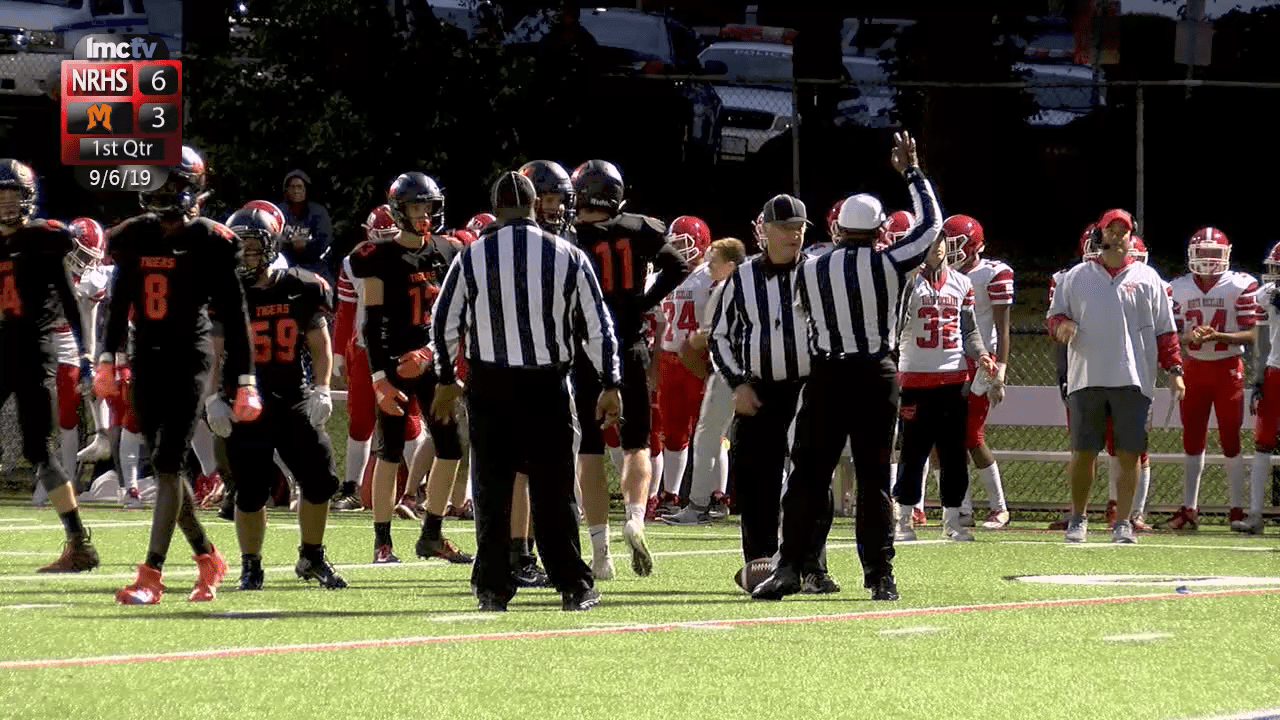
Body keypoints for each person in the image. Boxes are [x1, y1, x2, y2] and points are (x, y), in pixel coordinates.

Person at [754, 132, 942, 603]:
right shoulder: (893, 261)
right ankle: (879, 574)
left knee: (808, 476)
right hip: (876, 373)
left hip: (827, 374)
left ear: (838, 229)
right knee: (874, 476)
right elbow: (932, 225)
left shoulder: (811, 265)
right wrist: (913, 174)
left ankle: (790, 567)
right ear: (880, 230)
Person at [430, 171, 622, 611]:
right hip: (546, 383)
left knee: (492, 488)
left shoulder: (472, 255)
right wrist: (610, 382)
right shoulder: (568, 254)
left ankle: (493, 587)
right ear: (537, 205)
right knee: (553, 489)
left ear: (496, 210)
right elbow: (598, 325)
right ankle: (573, 584)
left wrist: (445, 378)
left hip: (490, 384)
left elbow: (444, 322)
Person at [98, 146, 264, 604]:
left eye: (170, 185)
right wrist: (108, 358)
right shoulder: (132, 236)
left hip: (189, 358)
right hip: (145, 356)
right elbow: (119, 302)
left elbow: (235, 315)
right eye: (155, 184)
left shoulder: (214, 240)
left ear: (192, 188)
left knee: (168, 464)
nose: (160, 194)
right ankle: (208, 557)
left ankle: (151, 574)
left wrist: (245, 380)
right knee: (166, 467)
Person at [207, 205, 346, 590]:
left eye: (253, 247)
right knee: (250, 490)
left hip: (291, 394)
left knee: (321, 479)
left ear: (270, 247)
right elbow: (214, 353)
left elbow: (320, 344)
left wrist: (321, 388)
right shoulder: (226, 293)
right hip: (245, 398)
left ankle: (312, 556)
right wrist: (211, 398)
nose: (246, 254)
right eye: (241, 247)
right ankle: (251, 564)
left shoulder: (301, 286)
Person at [569, 159, 690, 578]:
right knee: (637, 443)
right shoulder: (639, 229)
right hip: (631, 343)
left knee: (589, 448)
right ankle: (635, 518)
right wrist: (643, 301)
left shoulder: (571, 237)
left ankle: (600, 551)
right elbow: (678, 266)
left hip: (584, 348)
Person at [345, 172, 470, 565]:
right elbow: (372, 323)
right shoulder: (377, 257)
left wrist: (430, 354)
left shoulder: (448, 251)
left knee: (452, 445)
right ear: (400, 211)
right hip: (394, 364)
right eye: (417, 207)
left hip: (432, 360)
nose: (424, 214)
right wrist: (380, 377)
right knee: (390, 450)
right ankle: (382, 541)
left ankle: (431, 532)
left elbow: (453, 315)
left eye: (428, 206)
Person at [1047, 209, 1185, 544]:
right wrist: (1061, 326)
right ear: (1101, 233)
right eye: (1113, 229)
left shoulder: (1148, 277)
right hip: (1086, 376)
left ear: (1131, 236)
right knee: (1083, 453)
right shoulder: (1076, 276)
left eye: (1124, 231)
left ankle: (1123, 521)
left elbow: (1166, 331)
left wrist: (1175, 369)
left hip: (1133, 376)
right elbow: (1054, 316)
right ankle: (1078, 517)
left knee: (1129, 453)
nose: (1118, 236)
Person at [708, 196, 815, 582]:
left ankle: (811, 565)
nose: (795, 234)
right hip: (759, 390)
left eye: (800, 227)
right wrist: (737, 383)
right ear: (765, 231)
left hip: (808, 388)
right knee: (756, 480)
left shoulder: (818, 272)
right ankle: (761, 562)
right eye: (786, 227)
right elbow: (719, 336)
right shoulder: (743, 277)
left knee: (811, 477)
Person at [0, 159, 99, 573]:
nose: (5, 204)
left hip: (33, 348)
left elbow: (73, 303)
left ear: (27, 198)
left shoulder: (43, 238)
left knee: (39, 449)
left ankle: (78, 542)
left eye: (11, 194)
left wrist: (89, 355)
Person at [892, 234, 997, 542]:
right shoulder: (909, 283)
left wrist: (982, 355)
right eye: (932, 240)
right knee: (913, 452)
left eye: (942, 240)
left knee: (953, 453)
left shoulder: (962, 283)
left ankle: (953, 519)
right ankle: (904, 519)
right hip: (915, 377)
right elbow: (895, 325)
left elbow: (969, 330)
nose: (938, 246)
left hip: (954, 378)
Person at [330, 204, 427, 512]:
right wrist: (338, 353)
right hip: (365, 348)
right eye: (380, 236)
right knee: (360, 421)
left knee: (410, 419)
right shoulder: (355, 262)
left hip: (405, 347)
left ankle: (418, 489)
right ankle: (352, 489)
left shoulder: (417, 255)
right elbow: (346, 311)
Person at [1165, 227, 1257, 531]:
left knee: (1231, 439)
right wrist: (1187, 337)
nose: (1207, 259)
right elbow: (1169, 335)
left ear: (1226, 255)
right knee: (1192, 440)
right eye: (1202, 253)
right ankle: (1189, 508)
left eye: (1213, 253)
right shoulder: (1177, 288)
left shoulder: (1240, 285)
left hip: (1227, 367)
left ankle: (1236, 509)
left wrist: (1219, 336)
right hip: (1194, 368)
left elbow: (1254, 333)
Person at [942, 214, 1013, 529]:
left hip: (982, 360)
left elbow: (1003, 325)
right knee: (949, 438)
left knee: (971, 434)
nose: (947, 249)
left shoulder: (993, 273)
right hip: (949, 360)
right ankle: (964, 508)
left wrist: (1001, 368)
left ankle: (999, 507)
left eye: (954, 244)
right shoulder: (941, 274)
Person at [1242, 241, 1280, 536]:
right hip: (1276, 369)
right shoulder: (1268, 294)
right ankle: (1255, 515)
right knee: (1263, 442)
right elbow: (1263, 336)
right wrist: (1258, 377)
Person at [281, 170, 335, 281]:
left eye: (299, 187)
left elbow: (324, 241)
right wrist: (290, 245)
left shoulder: (319, 212)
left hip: (314, 266)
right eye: (292, 187)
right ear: (286, 190)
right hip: (285, 264)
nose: (296, 191)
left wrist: (305, 246)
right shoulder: (279, 211)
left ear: (306, 189)